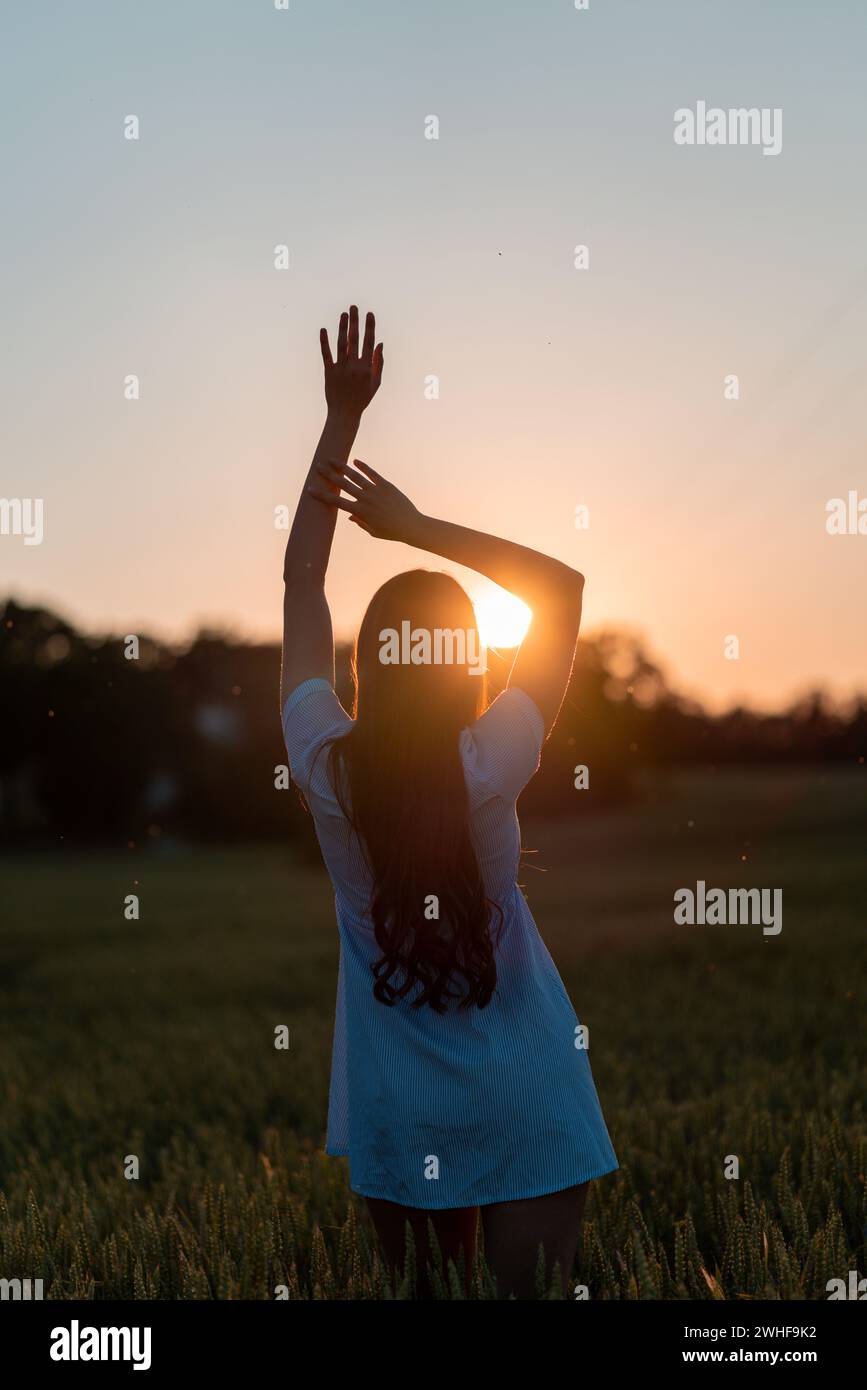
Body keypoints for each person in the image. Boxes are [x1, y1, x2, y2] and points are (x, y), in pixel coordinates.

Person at [280, 305, 618, 1298]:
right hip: (531, 1084)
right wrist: (417, 527)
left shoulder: (326, 765)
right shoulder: (491, 755)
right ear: (466, 665)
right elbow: (560, 587)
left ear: (365, 670)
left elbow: (302, 576)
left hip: (400, 1104)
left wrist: (341, 420)